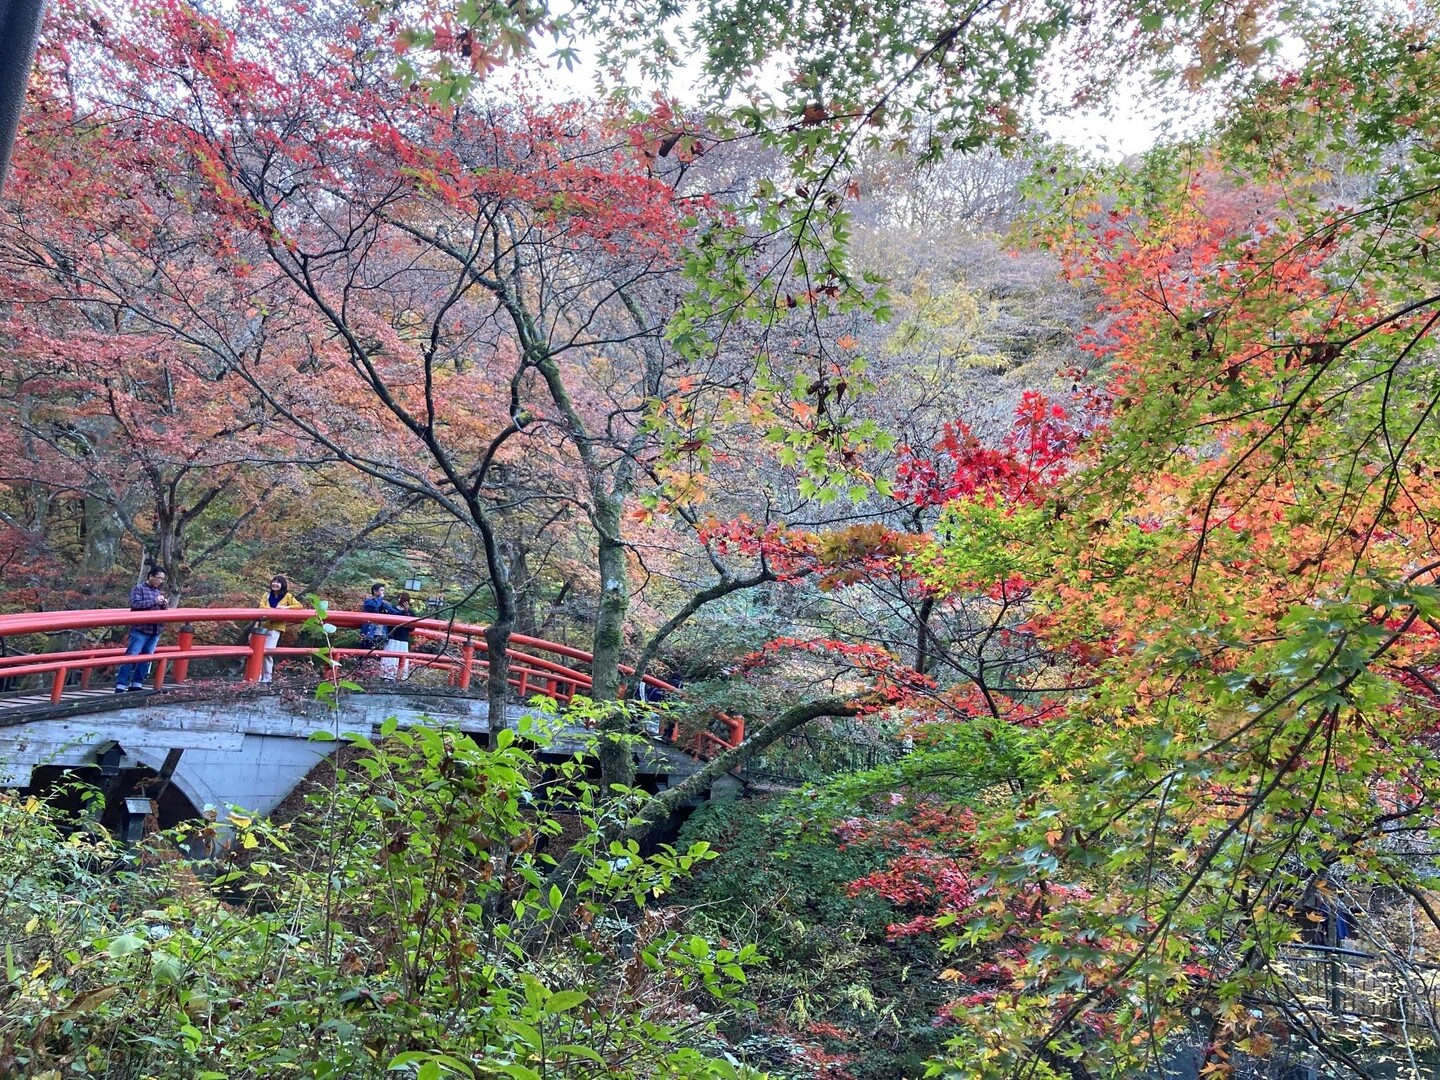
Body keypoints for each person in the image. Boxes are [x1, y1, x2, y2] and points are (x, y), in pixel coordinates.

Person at [116, 567, 167, 692]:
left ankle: (137, 683)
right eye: (159, 578)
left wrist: (164, 605)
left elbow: (160, 610)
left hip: (155, 629)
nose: (160, 581)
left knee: (147, 658)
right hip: (141, 629)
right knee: (131, 656)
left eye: (162, 579)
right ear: (151, 576)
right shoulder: (139, 589)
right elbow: (135, 604)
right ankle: (121, 685)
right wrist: (154, 601)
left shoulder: (158, 592)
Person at [258, 574, 303, 684]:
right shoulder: (267, 595)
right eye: (274, 581)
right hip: (263, 626)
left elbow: (299, 606)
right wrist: (273, 610)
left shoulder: (287, 596)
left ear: (282, 585)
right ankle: (257, 676)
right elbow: (261, 607)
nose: (275, 584)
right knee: (258, 652)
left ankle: (267, 678)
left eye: (278, 582)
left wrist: (286, 608)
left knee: (267, 652)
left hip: (276, 627)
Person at [380, 592, 416, 681]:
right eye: (399, 598)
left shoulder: (410, 612)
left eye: (403, 598)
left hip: (403, 639)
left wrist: (407, 612)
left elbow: (411, 628)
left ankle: (399, 677)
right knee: (389, 658)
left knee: (402, 658)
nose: (400, 600)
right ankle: (387, 676)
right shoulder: (392, 609)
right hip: (392, 637)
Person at [359, 582, 399, 650]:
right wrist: (380, 598)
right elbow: (375, 607)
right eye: (381, 590)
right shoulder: (368, 602)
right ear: (375, 591)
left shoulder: (384, 603)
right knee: (365, 651)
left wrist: (405, 611)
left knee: (378, 652)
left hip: (381, 633)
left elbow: (393, 612)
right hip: (368, 633)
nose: (383, 592)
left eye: (383, 590)